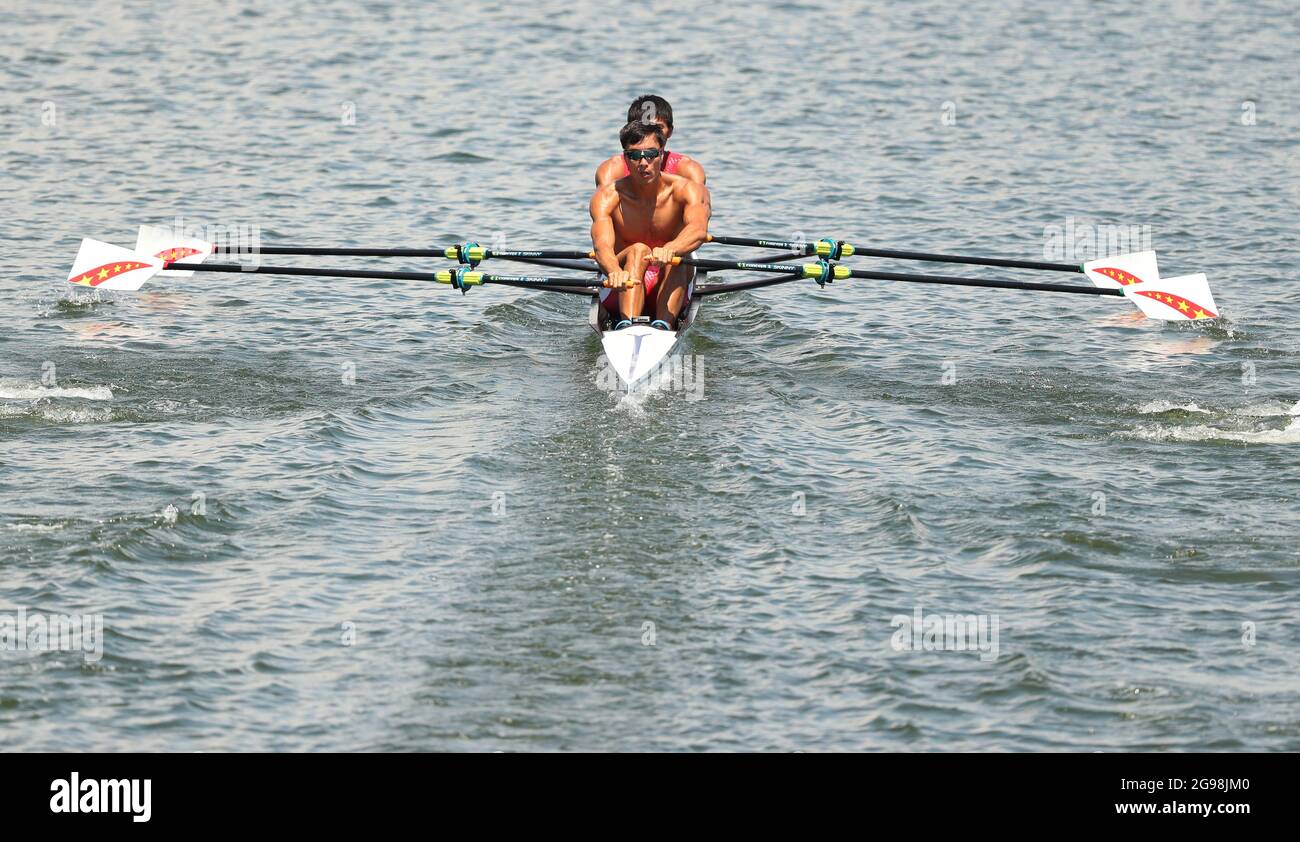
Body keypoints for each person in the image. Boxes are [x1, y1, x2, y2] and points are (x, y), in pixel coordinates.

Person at [590, 120, 711, 330]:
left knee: (680, 257)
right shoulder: (608, 196)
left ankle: (663, 325)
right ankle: (627, 326)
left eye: (650, 154)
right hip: (621, 285)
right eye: (634, 155)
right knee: (638, 250)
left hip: (672, 282)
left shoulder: (686, 190)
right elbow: (602, 245)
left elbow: (698, 231)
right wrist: (612, 271)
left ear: (662, 154)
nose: (643, 162)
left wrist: (670, 249)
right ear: (625, 159)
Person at [594, 95, 706, 187]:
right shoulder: (612, 171)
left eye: (658, 128)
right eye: (644, 128)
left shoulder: (688, 171)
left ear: (670, 131)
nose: (650, 134)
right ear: (630, 130)